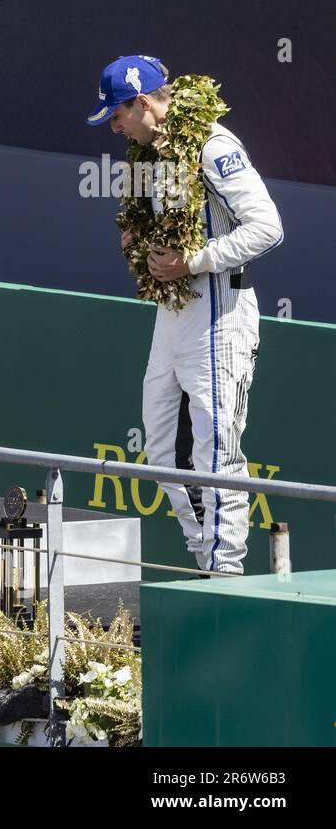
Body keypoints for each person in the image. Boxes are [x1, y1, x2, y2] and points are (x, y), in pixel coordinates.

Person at [86, 55, 283, 575]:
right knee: (162, 451)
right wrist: (142, 243)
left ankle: (225, 576)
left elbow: (267, 227)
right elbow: (171, 228)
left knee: (216, 453)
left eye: (117, 113)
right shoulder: (150, 153)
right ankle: (205, 560)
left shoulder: (214, 146)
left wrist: (193, 261)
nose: (113, 125)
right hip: (175, 313)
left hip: (220, 312)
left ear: (145, 102)